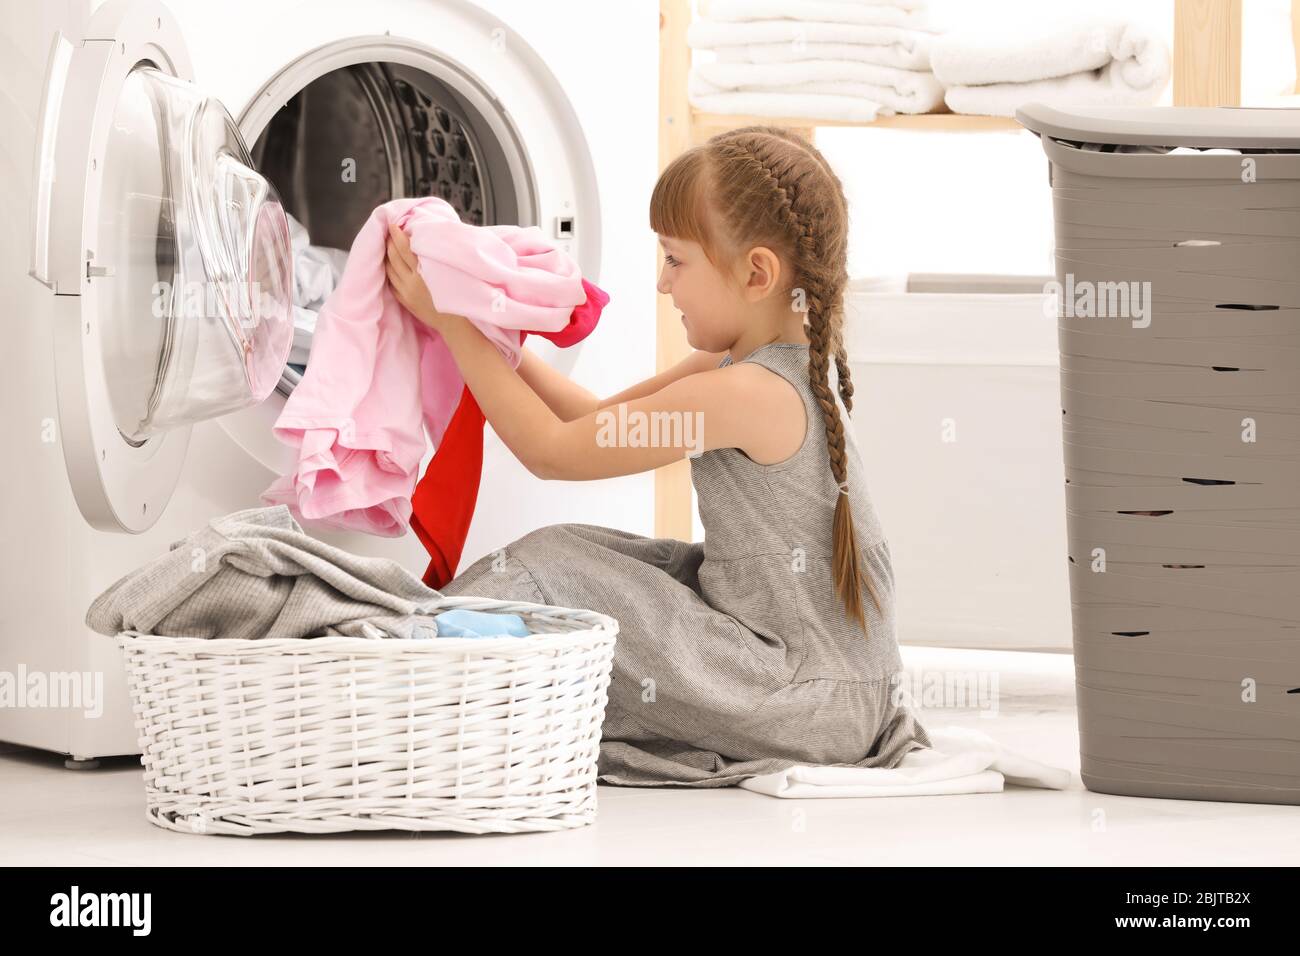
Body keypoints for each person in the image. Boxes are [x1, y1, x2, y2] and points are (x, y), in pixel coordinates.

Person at [382, 125, 932, 788]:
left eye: (676, 260)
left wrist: (452, 324)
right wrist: (498, 339)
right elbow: (596, 422)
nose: (662, 283)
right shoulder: (742, 369)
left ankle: (392, 662)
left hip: (803, 698)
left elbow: (552, 453)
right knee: (585, 552)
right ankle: (421, 652)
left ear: (756, 274)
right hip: (831, 690)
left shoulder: (747, 393)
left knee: (554, 569)